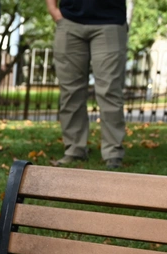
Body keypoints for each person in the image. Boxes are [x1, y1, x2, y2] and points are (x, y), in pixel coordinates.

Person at [46, 0, 127, 169]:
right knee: (70, 92)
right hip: (69, 21)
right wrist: (53, 10)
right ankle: (74, 149)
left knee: (110, 91)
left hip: (110, 21)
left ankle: (113, 153)